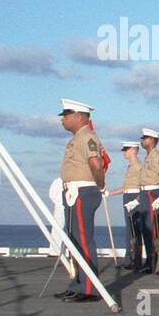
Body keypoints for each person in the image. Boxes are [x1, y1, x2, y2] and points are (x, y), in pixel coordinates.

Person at [56, 98, 107, 301]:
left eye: (66, 115)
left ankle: (89, 288)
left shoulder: (87, 137)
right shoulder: (77, 138)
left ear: (78, 116)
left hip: (82, 191)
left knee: (83, 240)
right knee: (73, 240)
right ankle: (77, 284)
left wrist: (100, 184)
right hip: (72, 192)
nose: (62, 119)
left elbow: (96, 164)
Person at [108, 140, 144, 270]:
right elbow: (125, 187)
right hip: (128, 196)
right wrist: (109, 193)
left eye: (127, 149)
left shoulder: (139, 166)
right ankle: (129, 259)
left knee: (135, 230)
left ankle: (135, 260)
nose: (125, 152)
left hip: (135, 198)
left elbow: (143, 186)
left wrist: (137, 201)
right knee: (129, 230)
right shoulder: (130, 166)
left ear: (134, 150)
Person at [137, 129, 159, 269]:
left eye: (145, 138)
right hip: (144, 193)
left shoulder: (156, 157)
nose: (142, 140)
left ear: (152, 140)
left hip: (151, 193)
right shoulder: (147, 157)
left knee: (152, 228)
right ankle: (150, 258)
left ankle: (155, 259)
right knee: (145, 228)